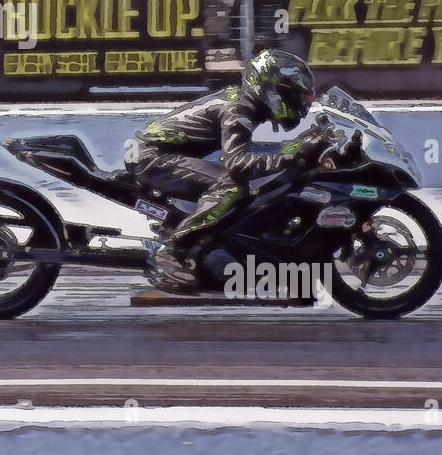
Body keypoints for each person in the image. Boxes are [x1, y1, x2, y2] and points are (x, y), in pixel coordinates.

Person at [125, 49, 324, 291]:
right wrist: (292, 156)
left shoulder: (244, 105)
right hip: (150, 156)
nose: (296, 103)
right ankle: (171, 253)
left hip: (160, 153)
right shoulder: (237, 110)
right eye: (290, 95)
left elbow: (258, 150)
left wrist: (302, 145)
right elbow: (238, 163)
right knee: (230, 186)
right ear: (268, 88)